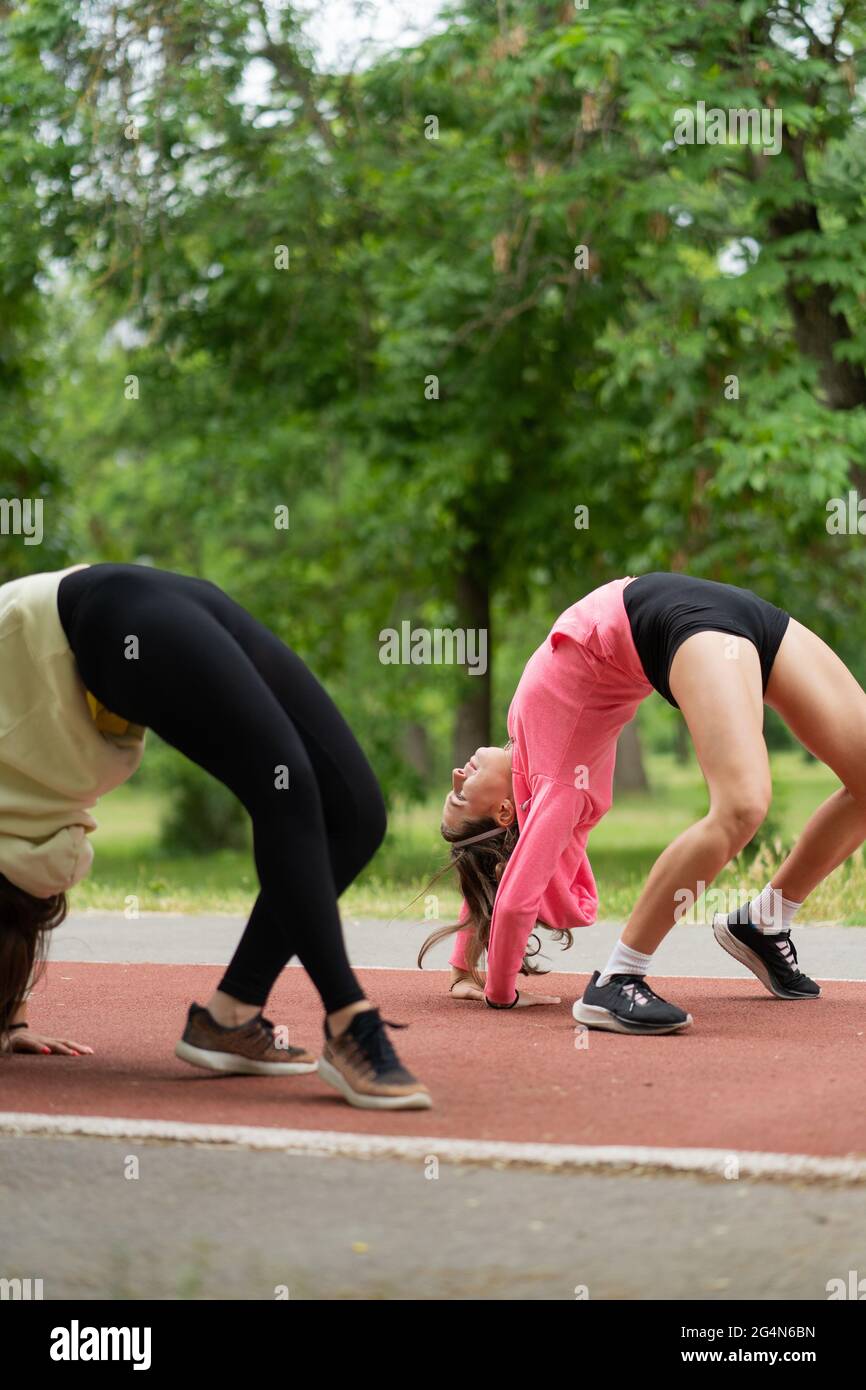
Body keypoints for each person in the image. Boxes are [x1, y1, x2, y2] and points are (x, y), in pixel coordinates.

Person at [0, 561, 430, 1109]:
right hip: (136, 602)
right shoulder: (25, 810)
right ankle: (339, 1019)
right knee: (294, 790)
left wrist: (8, 1017)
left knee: (354, 812)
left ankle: (234, 1016)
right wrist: (10, 1020)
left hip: (114, 608)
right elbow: (18, 892)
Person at [424, 571, 866, 1033]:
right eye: (459, 795)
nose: (457, 774)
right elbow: (513, 895)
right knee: (742, 805)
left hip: (720, 610)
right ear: (503, 811)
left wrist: (461, 968)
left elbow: (493, 871)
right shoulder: (557, 784)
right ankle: (618, 978)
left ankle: (765, 922)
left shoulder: (526, 741)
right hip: (680, 625)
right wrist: (500, 993)